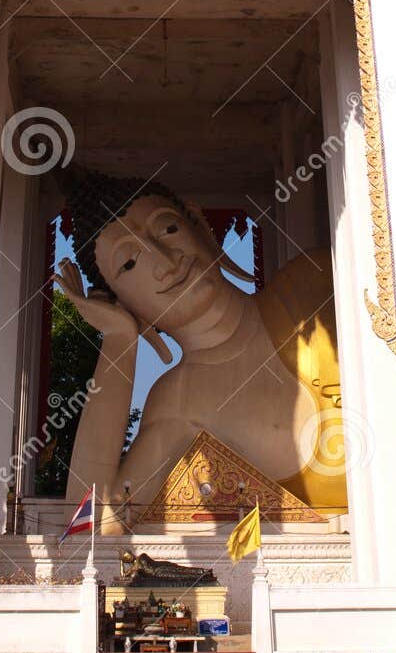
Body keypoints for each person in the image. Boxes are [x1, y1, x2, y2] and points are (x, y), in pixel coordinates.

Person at [58, 168, 345, 532]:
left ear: (202, 228)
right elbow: (93, 527)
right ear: (123, 303)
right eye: (129, 263)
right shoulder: (177, 402)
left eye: (167, 229)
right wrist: (119, 340)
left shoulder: (314, 279)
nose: (164, 261)